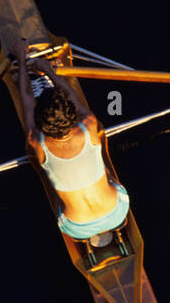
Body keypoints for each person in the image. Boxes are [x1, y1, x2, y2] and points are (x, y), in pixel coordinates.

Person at [10, 37, 129, 248]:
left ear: (40, 124)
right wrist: (49, 70)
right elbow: (72, 96)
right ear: (72, 115)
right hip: (118, 214)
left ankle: (32, 80)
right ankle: (44, 79)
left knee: (52, 179)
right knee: (104, 172)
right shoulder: (88, 124)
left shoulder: (36, 140)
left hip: (75, 227)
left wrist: (20, 55)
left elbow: (26, 100)